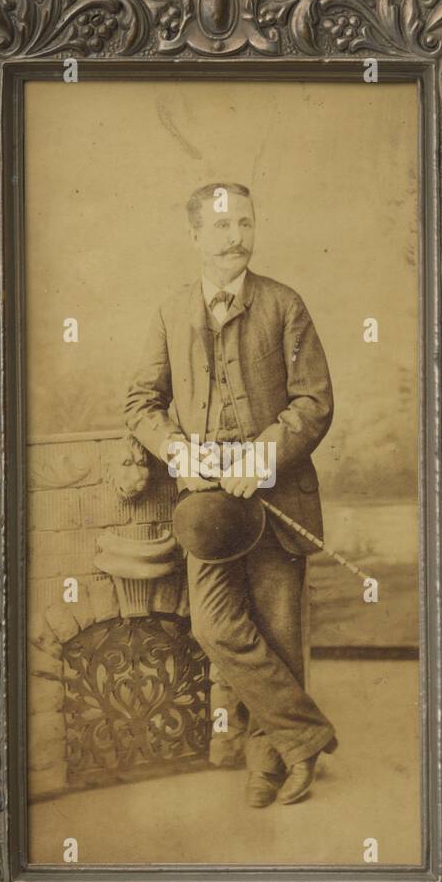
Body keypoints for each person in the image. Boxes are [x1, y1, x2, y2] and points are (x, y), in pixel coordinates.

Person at [125, 182, 337, 806]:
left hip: (277, 500)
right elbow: (141, 404)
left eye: (244, 223)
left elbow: (315, 402)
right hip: (208, 511)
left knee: (277, 631)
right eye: (221, 226)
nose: (235, 236)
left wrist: (264, 452)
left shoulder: (285, 305)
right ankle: (307, 735)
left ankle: (268, 767)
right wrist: (178, 450)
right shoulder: (170, 312)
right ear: (195, 235)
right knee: (216, 627)